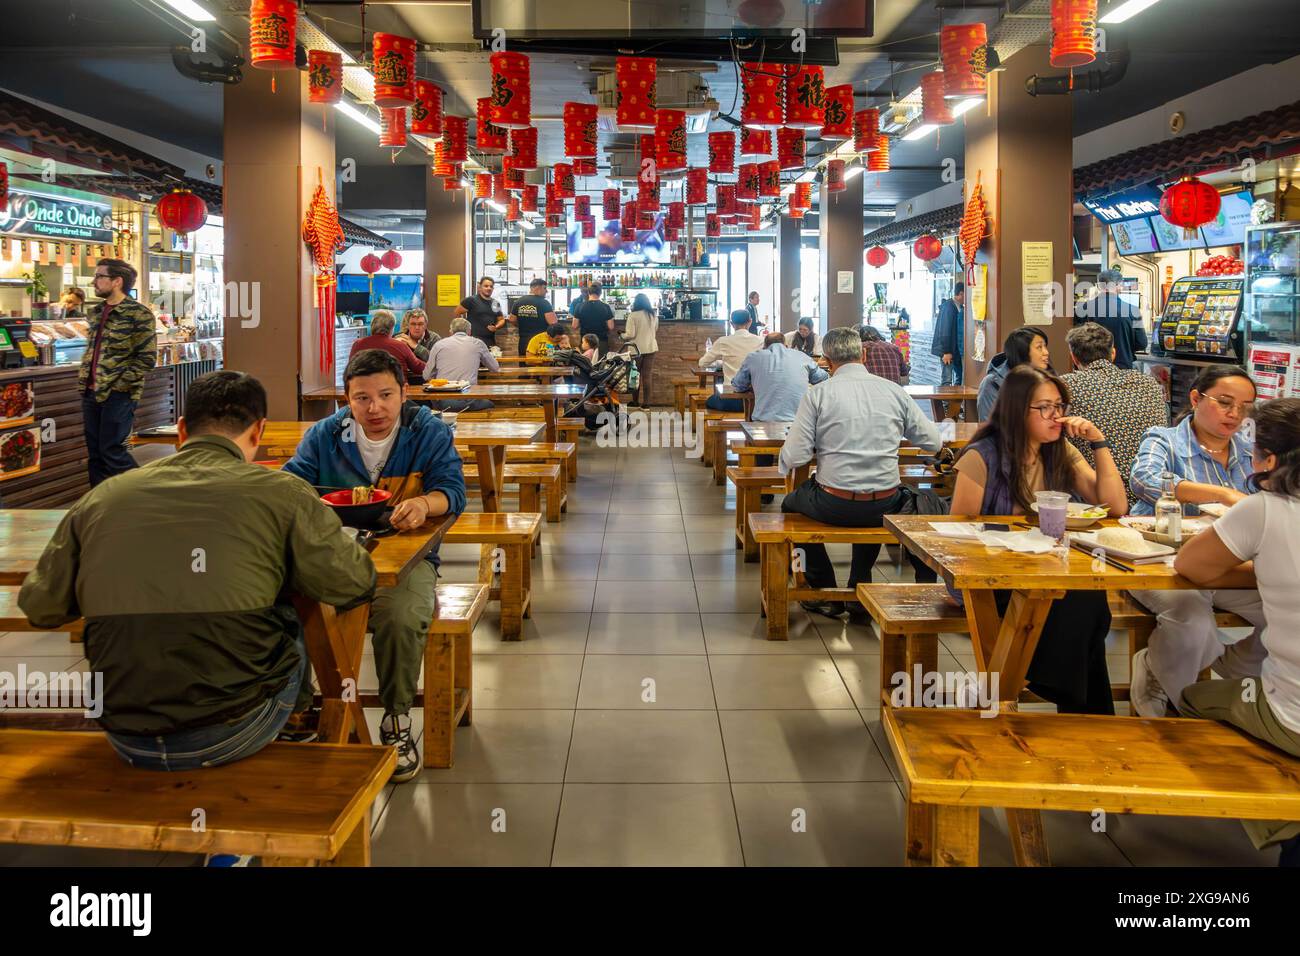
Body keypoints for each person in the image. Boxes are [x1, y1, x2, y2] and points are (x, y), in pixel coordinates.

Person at [19, 370, 377, 770]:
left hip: (123, 732)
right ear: (258, 431)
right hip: (236, 727)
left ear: (182, 429)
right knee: (287, 609)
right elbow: (353, 583)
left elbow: (41, 607)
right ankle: (298, 729)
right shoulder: (283, 493)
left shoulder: (102, 497)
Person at [284, 349, 466, 781]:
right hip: (331, 554)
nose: (375, 408)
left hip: (408, 553)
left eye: (385, 395)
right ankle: (297, 709)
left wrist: (424, 503)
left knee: (402, 615)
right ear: (347, 399)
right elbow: (293, 484)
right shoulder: (326, 435)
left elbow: (453, 492)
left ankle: (397, 719)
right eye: (361, 398)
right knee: (284, 604)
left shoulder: (427, 432)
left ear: (404, 393)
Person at [950, 366, 1130, 714]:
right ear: (1017, 410)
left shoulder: (1060, 453)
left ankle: (1053, 689)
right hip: (988, 577)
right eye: (1044, 407)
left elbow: (1114, 506)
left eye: (1059, 406)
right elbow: (960, 535)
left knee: (1089, 600)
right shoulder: (982, 456)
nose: (1056, 416)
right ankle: (1071, 700)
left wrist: (1098, 441)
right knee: (1079, 603)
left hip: (1046, 570)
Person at [1174, 398, 1300, 867]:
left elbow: (1190, 566)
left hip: (1290, 715)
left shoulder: (1265, 509)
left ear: (1267, 460)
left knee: (1192, 698)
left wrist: (1265, 562)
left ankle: (1280, 819)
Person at [1127, 365, 1265, 718]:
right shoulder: (1164, 438)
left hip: (1231, 565)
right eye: (1224, 402)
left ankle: (1223, 663)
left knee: (1288, 608)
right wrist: (1222, 495)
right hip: (1162, 558)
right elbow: (1143, 479)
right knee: (1192, 620)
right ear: (1195, 398)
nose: (1235, 414)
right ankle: (1184, 707)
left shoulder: (1250, 452)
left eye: (1245, 406)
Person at [779, 327, 943, 620]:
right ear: (864, 354)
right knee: (875, 499)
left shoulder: (818, 395)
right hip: (884, 503)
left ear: (826, 361)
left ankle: (823, 587)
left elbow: (796, 456)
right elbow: (932, 441)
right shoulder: (894, 392)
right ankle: (857, 584)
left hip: (833, 504)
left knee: (789, 505)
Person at [1061, 322, 1168, 504]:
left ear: (1074, 358)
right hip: (1155, 496)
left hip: (1099, 498)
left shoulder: (1066, 386)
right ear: (1113, 353)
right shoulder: (1150, 384)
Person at [79, 258, 157, 487]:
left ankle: (141, 496)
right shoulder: (96, 312)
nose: (94, 282)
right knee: (95, 454)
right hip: (90, 391)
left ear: (116, 281)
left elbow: (147, 358)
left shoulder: (138, 314)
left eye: (99, 276)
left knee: (112, 451)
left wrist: (119, 385)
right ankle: (99, 504)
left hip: (119, 394)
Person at [733, 331, 828, 423]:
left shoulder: (753, 357)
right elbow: (823, 378)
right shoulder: (802, 356)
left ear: (764, 347)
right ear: (786, 346)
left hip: (763, 420)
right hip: (799, 422)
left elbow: (738, 386)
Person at [1074, 267, 1148, 370]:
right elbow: (1142, 343)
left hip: (1091, 370)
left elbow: (1076, 341)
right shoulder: (1133, 310)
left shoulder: (1083, 309)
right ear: (1119, 285)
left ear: (1099, 286)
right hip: (1122, 369)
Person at [425, 317, 501, 412]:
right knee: (490, 404)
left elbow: (426, 375)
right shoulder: (478, 343)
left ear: (451, 331)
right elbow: (495, 368)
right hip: (469, 400)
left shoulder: (438, 345)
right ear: (469, 332)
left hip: (443, 402)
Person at [977, 327, 1051, 421]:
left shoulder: (1047, 380)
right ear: (1022, 352)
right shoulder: (992, 383)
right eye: (1039, 347)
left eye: (1045, 346)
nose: (1046, 352)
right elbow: (989, 427)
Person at [699, 309, 764, 412]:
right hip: (756, 400)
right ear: (750, 322)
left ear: (731, 324)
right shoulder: (761, 341)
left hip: (730, 399)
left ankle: (717, 427)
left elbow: (702, 363)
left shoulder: (723, 341)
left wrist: (722, 362)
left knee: (709, 401)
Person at [349, 309, 425, 382]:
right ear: (392, 328)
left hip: (365, 391)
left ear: (372, 326)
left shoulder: (357, 345)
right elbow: (419, 367)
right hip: (395, 392)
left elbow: (350, 371)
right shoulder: (400, 346)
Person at [622, 292, 659, 407]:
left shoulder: (633, 315)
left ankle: (635, 401)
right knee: (647, 376)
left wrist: (622, 336)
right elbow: (655, 330)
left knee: (634, 375)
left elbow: (630, 334)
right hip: (651, 348)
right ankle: (647, 403)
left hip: (636, 350)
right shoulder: (653, 315)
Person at [508, 277, 557, 356]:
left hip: (524, 341)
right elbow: (553, 322)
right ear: (537, 288)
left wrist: (522, 324)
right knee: (544, 366)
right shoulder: (544, 302)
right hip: (541, 342)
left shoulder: (518, 301)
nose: (546, 291)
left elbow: (512, 319)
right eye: (545, 288)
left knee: (524, 365)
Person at [454, 276, 506, 345]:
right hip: (472, 340)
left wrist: (496, 327)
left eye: (491, 286)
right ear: (480, 287)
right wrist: (463, 329)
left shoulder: (495, 303)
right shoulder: (471, 300)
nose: (489, 288)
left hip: (490, 341)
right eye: (486, 286)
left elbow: (501, 320)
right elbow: (457, 312)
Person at [930, 282, 964, 386]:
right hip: (947, 350)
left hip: (955, 350)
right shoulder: (949, 307)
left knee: (959, 378)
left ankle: (956, 402)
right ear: (961, 294)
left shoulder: (958, 307)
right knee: (947, 379)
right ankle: (946, 402)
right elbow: (944, 331)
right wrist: (946, 352)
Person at [574, 282, 615, 355]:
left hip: (586, 342)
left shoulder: (579, 306)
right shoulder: (605, 307)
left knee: (585, 363)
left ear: (588, 292)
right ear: (600, 293)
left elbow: (574, 326)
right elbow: (611, 327)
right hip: (601, 341)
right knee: (600, 364)